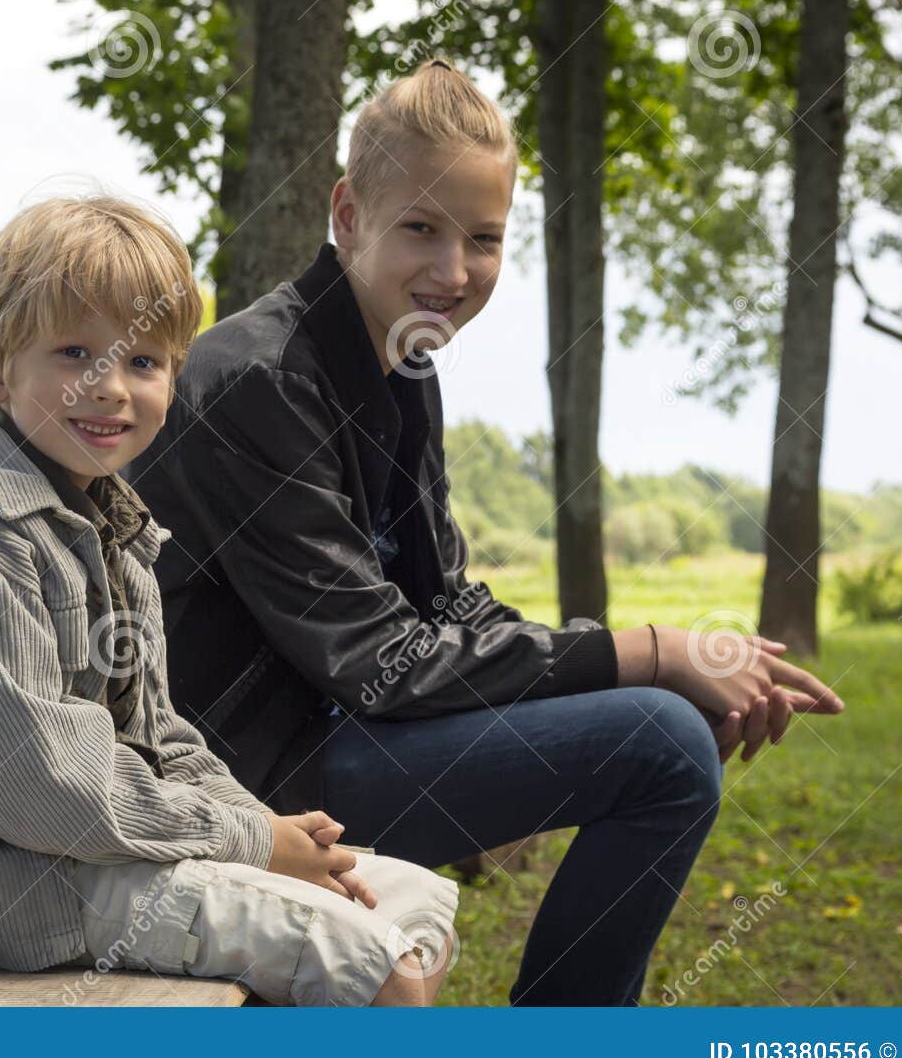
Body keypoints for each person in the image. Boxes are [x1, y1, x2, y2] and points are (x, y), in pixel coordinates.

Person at [125, 61, 845, 1006]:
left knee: (672, 728)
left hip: (338, 733)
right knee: (663, 739)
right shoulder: (261, 379)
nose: (454, 270)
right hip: (242, 777)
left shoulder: (402, 363)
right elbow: (377, 658)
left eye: (485, 239)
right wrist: (647, 651)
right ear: (348, 215)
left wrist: (669, 660)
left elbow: (448, 603)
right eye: (420, 228)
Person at [0, 195, 458, 1007]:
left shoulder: (111, 522)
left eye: (143, 362)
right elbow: (46, 787)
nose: (109, 387)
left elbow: (158, 735)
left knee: (407, 906)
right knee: (373, 961)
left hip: (77, 862)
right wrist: (253, 840)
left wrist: (264, 828)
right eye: (75, 352)